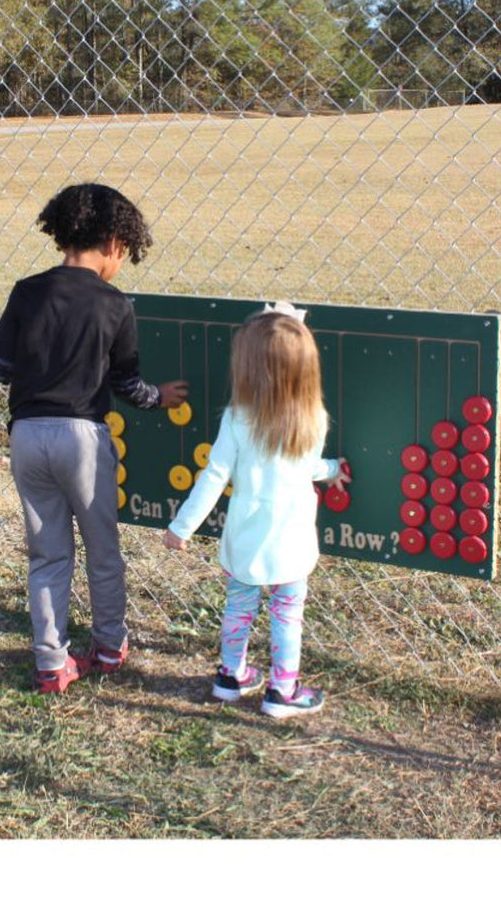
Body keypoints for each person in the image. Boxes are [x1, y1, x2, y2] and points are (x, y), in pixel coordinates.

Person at [0, 183, 188, 694]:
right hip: (83, 438)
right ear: (117, 244)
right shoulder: (114, 304)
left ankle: (51, 662)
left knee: (47, 554)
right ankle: (108, 646)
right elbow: (125, 384)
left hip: (27, 437)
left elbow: (1, 370)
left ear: (63, 234)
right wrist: (159, 398)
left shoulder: (26, 291)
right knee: (102, 549)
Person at [163, 303, 349, 718]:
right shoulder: (313, 419)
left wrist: (183, 526)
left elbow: (214, 475)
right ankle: (282, 690)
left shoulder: (237, 418)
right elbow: (306, 467)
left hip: (245, 535)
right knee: (287, 612)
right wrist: (334, 470)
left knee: (239, 604)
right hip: (291, 539)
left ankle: (231, 676)